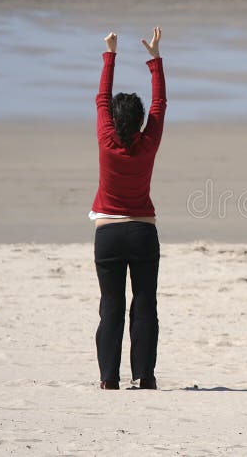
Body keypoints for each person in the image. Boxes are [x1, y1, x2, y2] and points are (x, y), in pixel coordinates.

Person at [90, 27, 166, 390]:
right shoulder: (148, 142)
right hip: (142, 232)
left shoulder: (106, 140)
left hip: (107, 233)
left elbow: (101, 99)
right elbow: (159, 106)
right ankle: (144, 376)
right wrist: (154, 60)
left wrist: (110, 54)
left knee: (111, 306)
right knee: (145, 304)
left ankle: (108, 379)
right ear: (138, 123)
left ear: (115, 122)